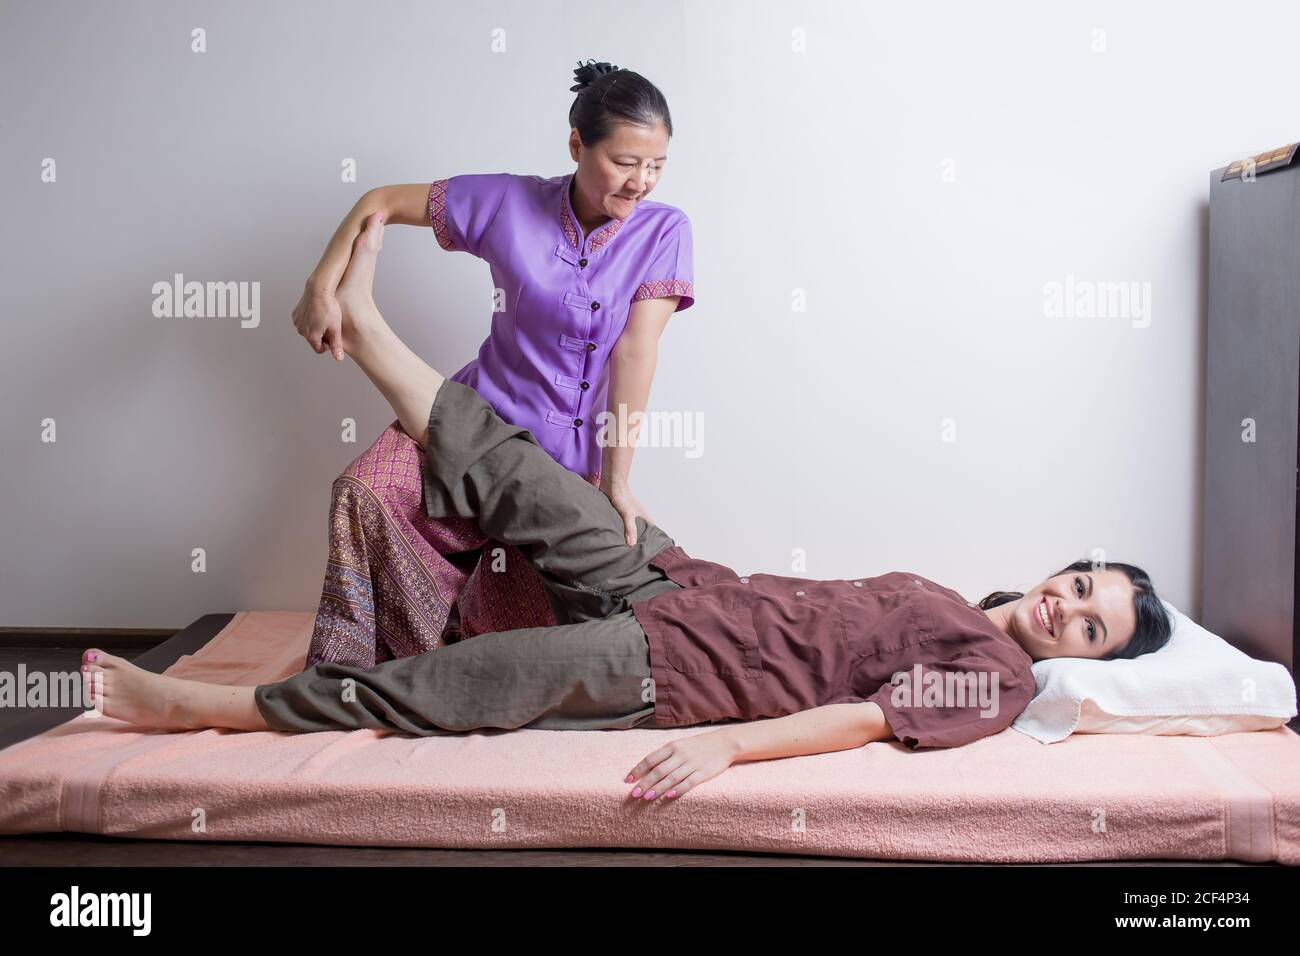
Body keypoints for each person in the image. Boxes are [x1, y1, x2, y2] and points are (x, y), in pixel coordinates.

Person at [82, 214, 1173, 802]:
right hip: (687, 584)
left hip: (680, 672)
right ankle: (360, 325)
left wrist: (730, 751)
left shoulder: (1004, 673)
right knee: (516, 470)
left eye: (1093, 622)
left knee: (457, 687)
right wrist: (658, 550)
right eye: (1083, 582)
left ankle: (200, 710)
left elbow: (868, 717)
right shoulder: (967, 602)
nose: (1067, 603)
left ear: (1089, 659)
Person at [288, 59, 694, 667]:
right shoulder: (508, 201)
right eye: (626, 162)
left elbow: (636, 352)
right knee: (363, 491)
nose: (642, 183)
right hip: (469, 422)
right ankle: (350, 678)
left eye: (656, 166)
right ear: (577, 144)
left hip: (558, 466)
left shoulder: (665, 232)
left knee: (530, 622)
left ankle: (434, 676)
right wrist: (321, 283)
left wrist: (616, 481)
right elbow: (379, 201)